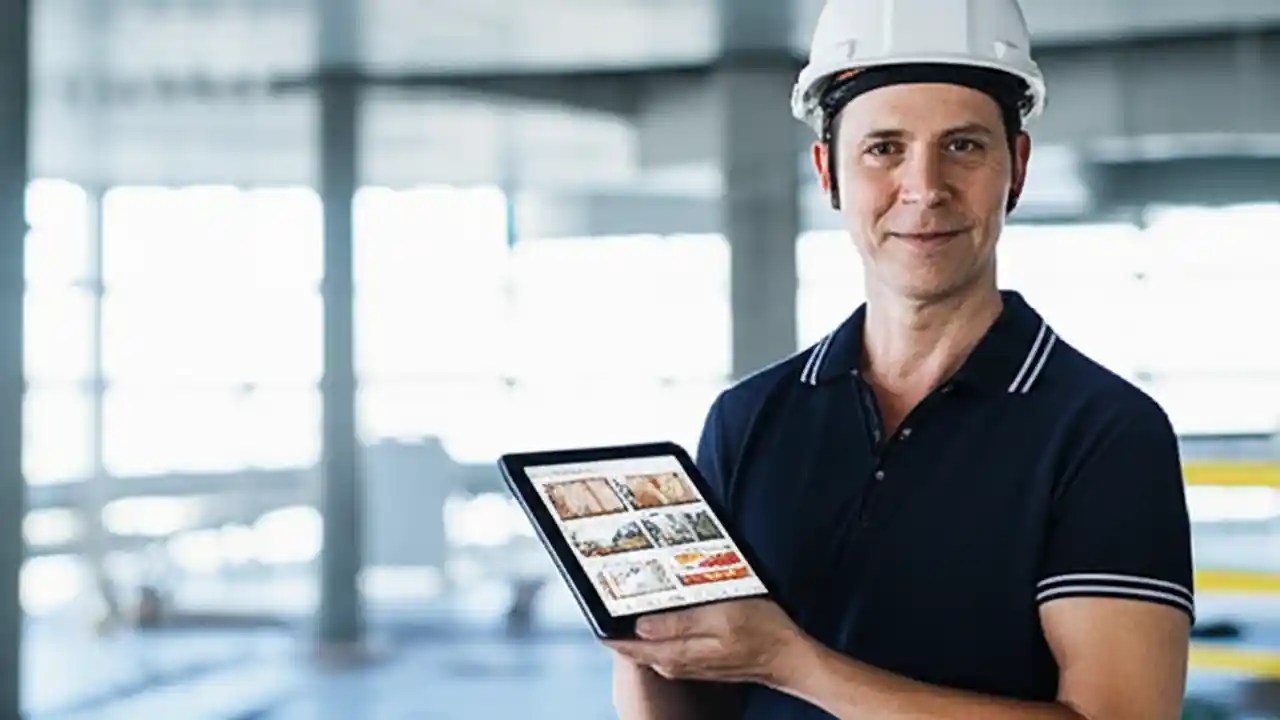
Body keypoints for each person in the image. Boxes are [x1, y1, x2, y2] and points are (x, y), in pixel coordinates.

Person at [607, 0, 1195, 718]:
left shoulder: (1103, 432)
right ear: (829, 172)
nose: (924, 187)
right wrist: (642, 644)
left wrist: (791, 660)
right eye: (883, 148)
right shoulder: (749, 419)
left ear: (1017, 166)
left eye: (964, 146)